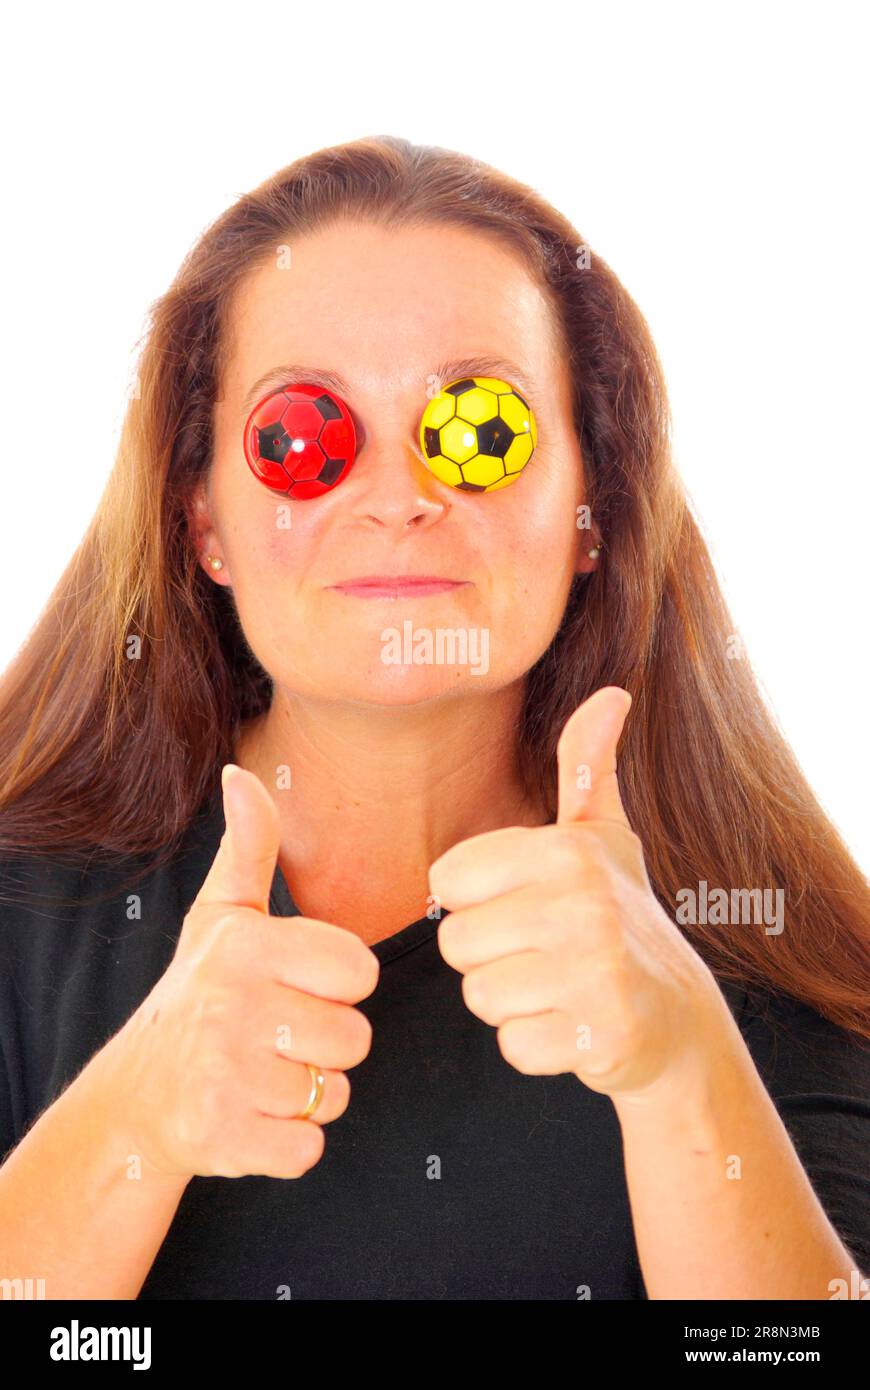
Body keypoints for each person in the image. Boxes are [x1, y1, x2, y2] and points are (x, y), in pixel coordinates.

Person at [0, 135, 867, 1302]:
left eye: (480, 428)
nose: (402, 498)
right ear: (203, 517)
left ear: (588, 508)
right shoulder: (22, 917)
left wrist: (683, 1075)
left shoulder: (764, 956)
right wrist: (132, 1117)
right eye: (303, 436)